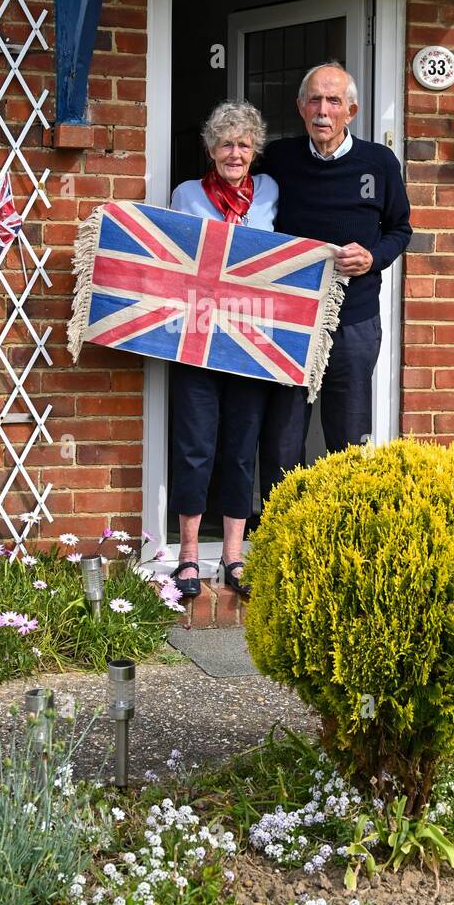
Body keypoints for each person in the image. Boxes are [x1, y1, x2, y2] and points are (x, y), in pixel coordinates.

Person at [258, 62, 412, 499]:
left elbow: (400, 228)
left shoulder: (379, 162)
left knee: (348, 431)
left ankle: (342, 526)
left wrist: (374, 257)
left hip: (355, 319)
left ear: (352, 111)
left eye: (333, 101)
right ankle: (279, 524)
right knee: (283, 433)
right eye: (314, 100)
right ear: (300, 107)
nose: (323, 110)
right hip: (288, 319)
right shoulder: (279, 160)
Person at [168, 100, 278, 599]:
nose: (235, 153)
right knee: (195, 446)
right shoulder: (187, 193)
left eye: (243, 143)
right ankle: (189, 554)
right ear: (211, 149)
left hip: (251, 342)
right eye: (226, 143)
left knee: (240, 450)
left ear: (254, 150)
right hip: (197, 337)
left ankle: (234, 555)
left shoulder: (272, 192)